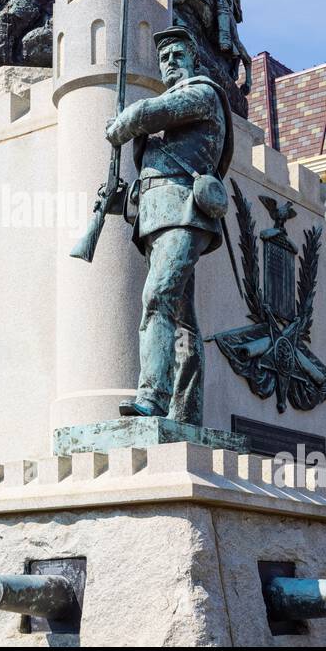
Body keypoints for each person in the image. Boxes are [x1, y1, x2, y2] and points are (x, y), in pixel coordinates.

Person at [105, 26, 231, 423]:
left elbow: (147, 113)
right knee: (182, 321)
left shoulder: (202, 94)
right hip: (156, 221)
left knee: (157, 297)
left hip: (186, 215)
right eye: (165, 58)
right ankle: (188, 411)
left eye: (178, 54)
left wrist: (124, 123)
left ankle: (153, 397)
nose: (171, 62)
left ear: (192, 58)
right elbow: (152, 177)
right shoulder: (168, 115)